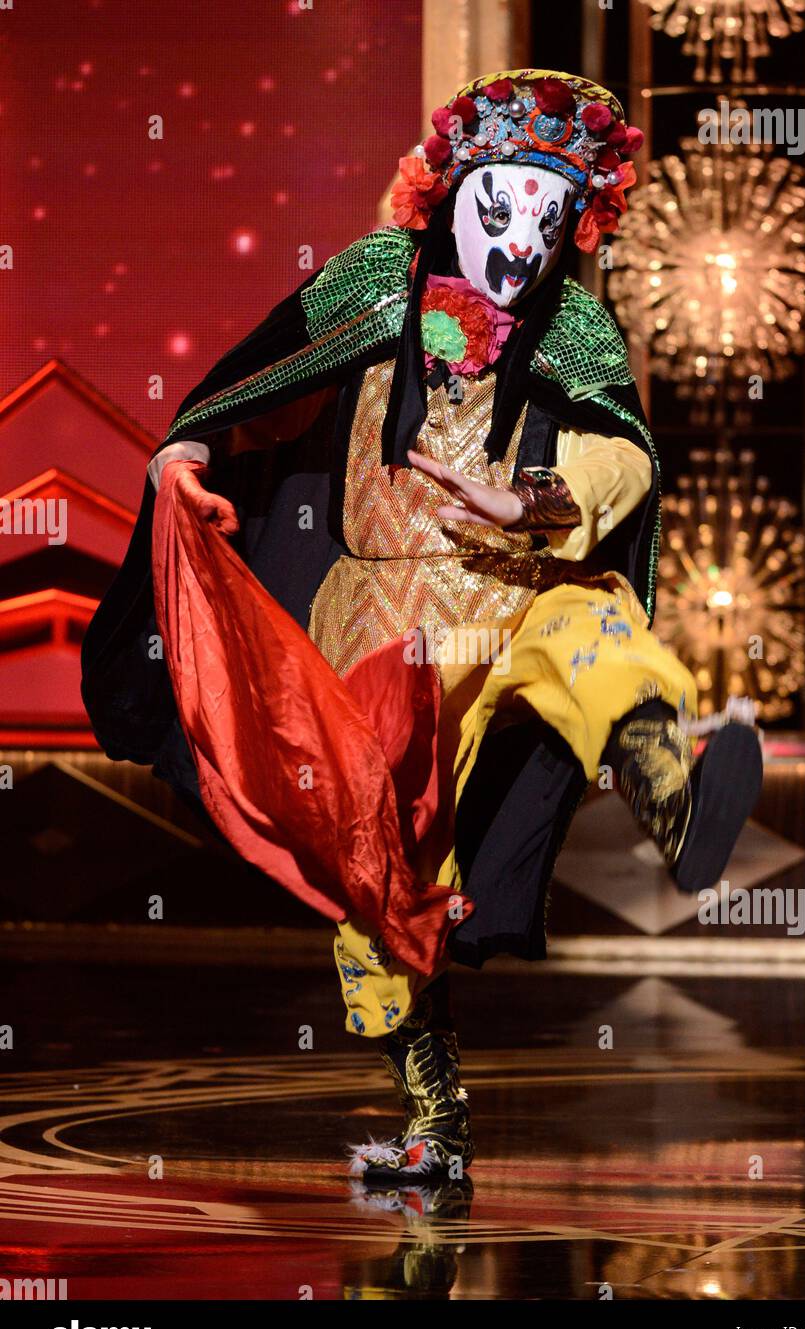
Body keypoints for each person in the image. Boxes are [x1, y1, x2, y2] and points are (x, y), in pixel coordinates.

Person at [82, 69, 762, 1185]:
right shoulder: (370, 281)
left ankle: (674, 801)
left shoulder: (575, 323)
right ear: (453, 193)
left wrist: (534, 502)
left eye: (551, 217)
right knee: (383, 874)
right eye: (502, 205)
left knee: (589, 629)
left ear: (577, 223)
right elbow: (255, 387)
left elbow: (626, 453)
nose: (522, 241)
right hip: (380, 622)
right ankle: (434, 1111)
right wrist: (187, 452)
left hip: (509, 584)